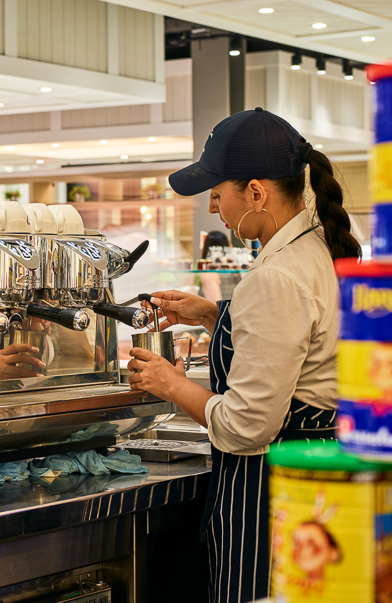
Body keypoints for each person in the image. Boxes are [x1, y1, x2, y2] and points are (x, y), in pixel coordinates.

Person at [126, 107, 361, 603]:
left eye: (217, 194)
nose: (215, 210)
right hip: (321, 472)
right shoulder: (319, 245)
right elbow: (303, 344)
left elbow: (246, 426)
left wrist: (171, 384)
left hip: (271, 490)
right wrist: (215, 316)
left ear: (255, 193)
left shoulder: (274, 277)